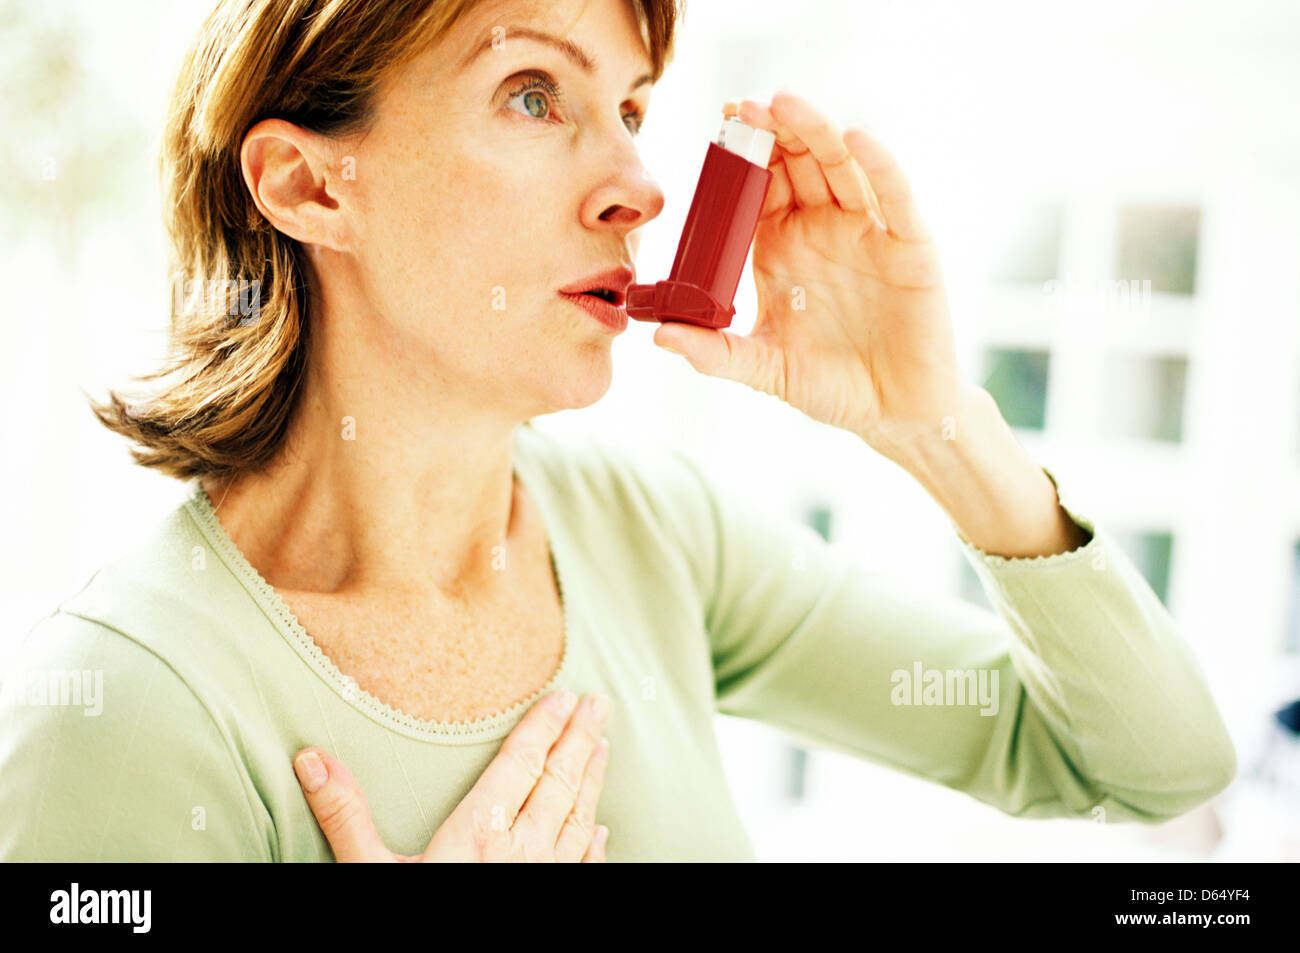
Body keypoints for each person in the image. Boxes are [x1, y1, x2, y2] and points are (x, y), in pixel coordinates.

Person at [0, 0, 1235, 862]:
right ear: (312, 185)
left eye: (632, 106)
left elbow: (1145, 763)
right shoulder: (118, 706)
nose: (642, 187)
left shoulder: (654, 534)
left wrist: (934, 427)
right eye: (532, 94)